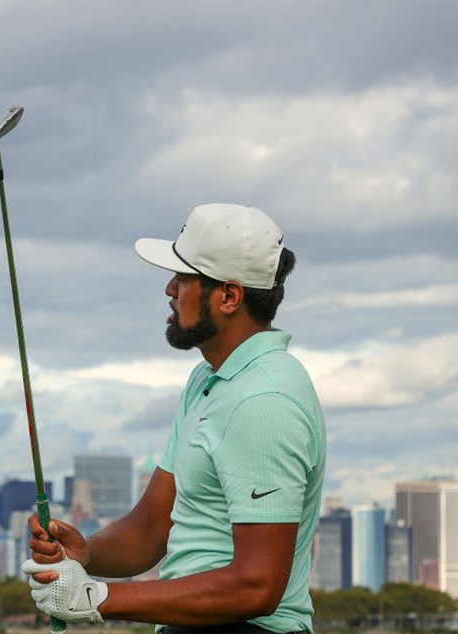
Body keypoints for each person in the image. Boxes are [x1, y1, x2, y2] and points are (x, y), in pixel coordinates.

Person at [23, 203, 326, 634]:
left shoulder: (265, 398)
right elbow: (152, 526)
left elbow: (258, 586)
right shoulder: (208, 380)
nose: (169, 288)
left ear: (229, 296)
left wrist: (97, 598)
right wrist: (86, 553)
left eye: (184, 278)